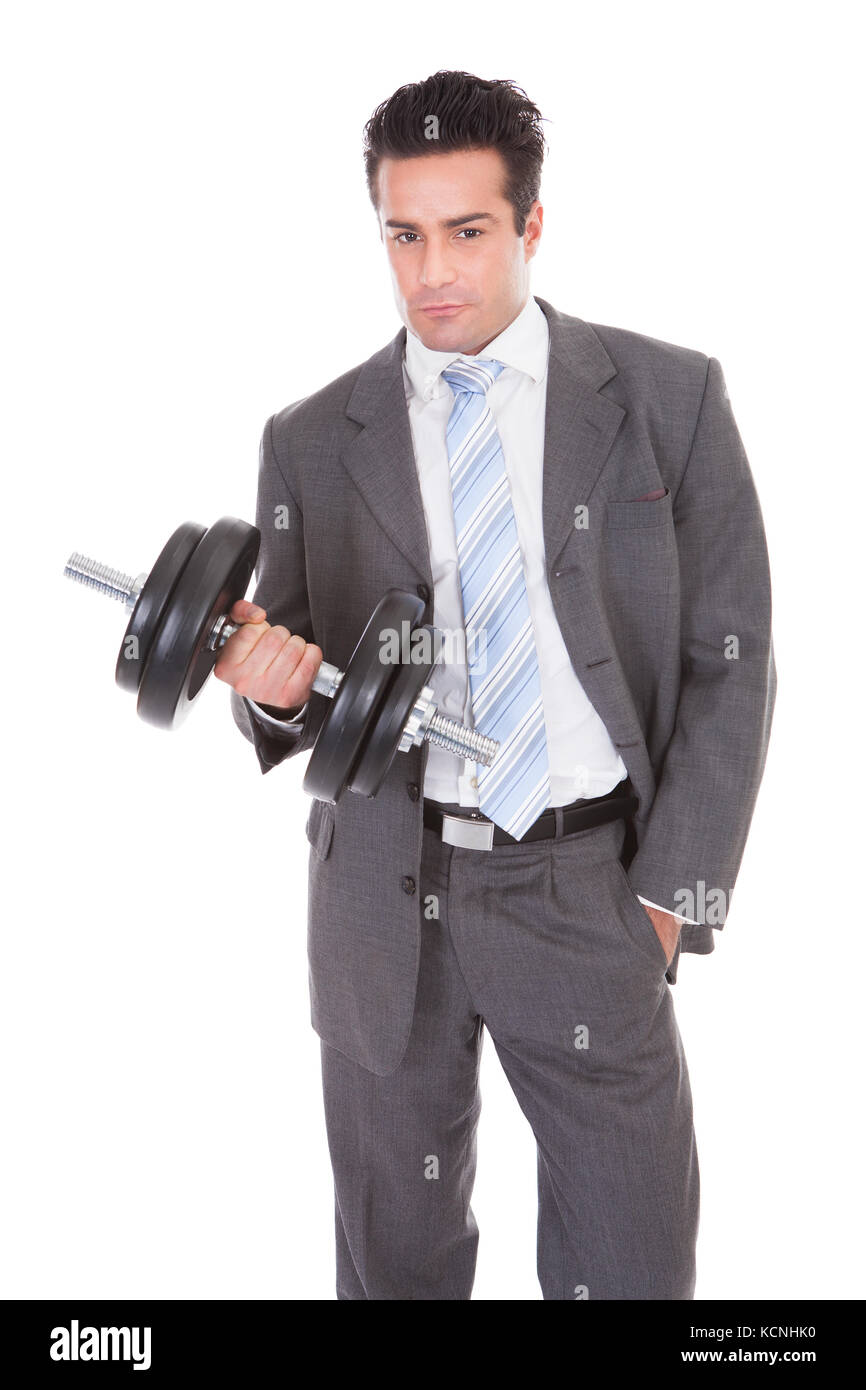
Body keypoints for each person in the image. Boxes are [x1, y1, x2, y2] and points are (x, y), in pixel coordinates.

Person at [215, 70, 777, 1300]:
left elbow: (728, 667)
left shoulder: (667, 399)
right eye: (402, 235)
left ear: (529, 226)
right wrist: (263, 686)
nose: (432, 272)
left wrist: (668, 907)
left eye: (466, 231)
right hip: (380, 891)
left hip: (586, 891)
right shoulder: (309, 436)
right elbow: (297, 685)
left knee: (631, 1270)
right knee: (393, 1273)